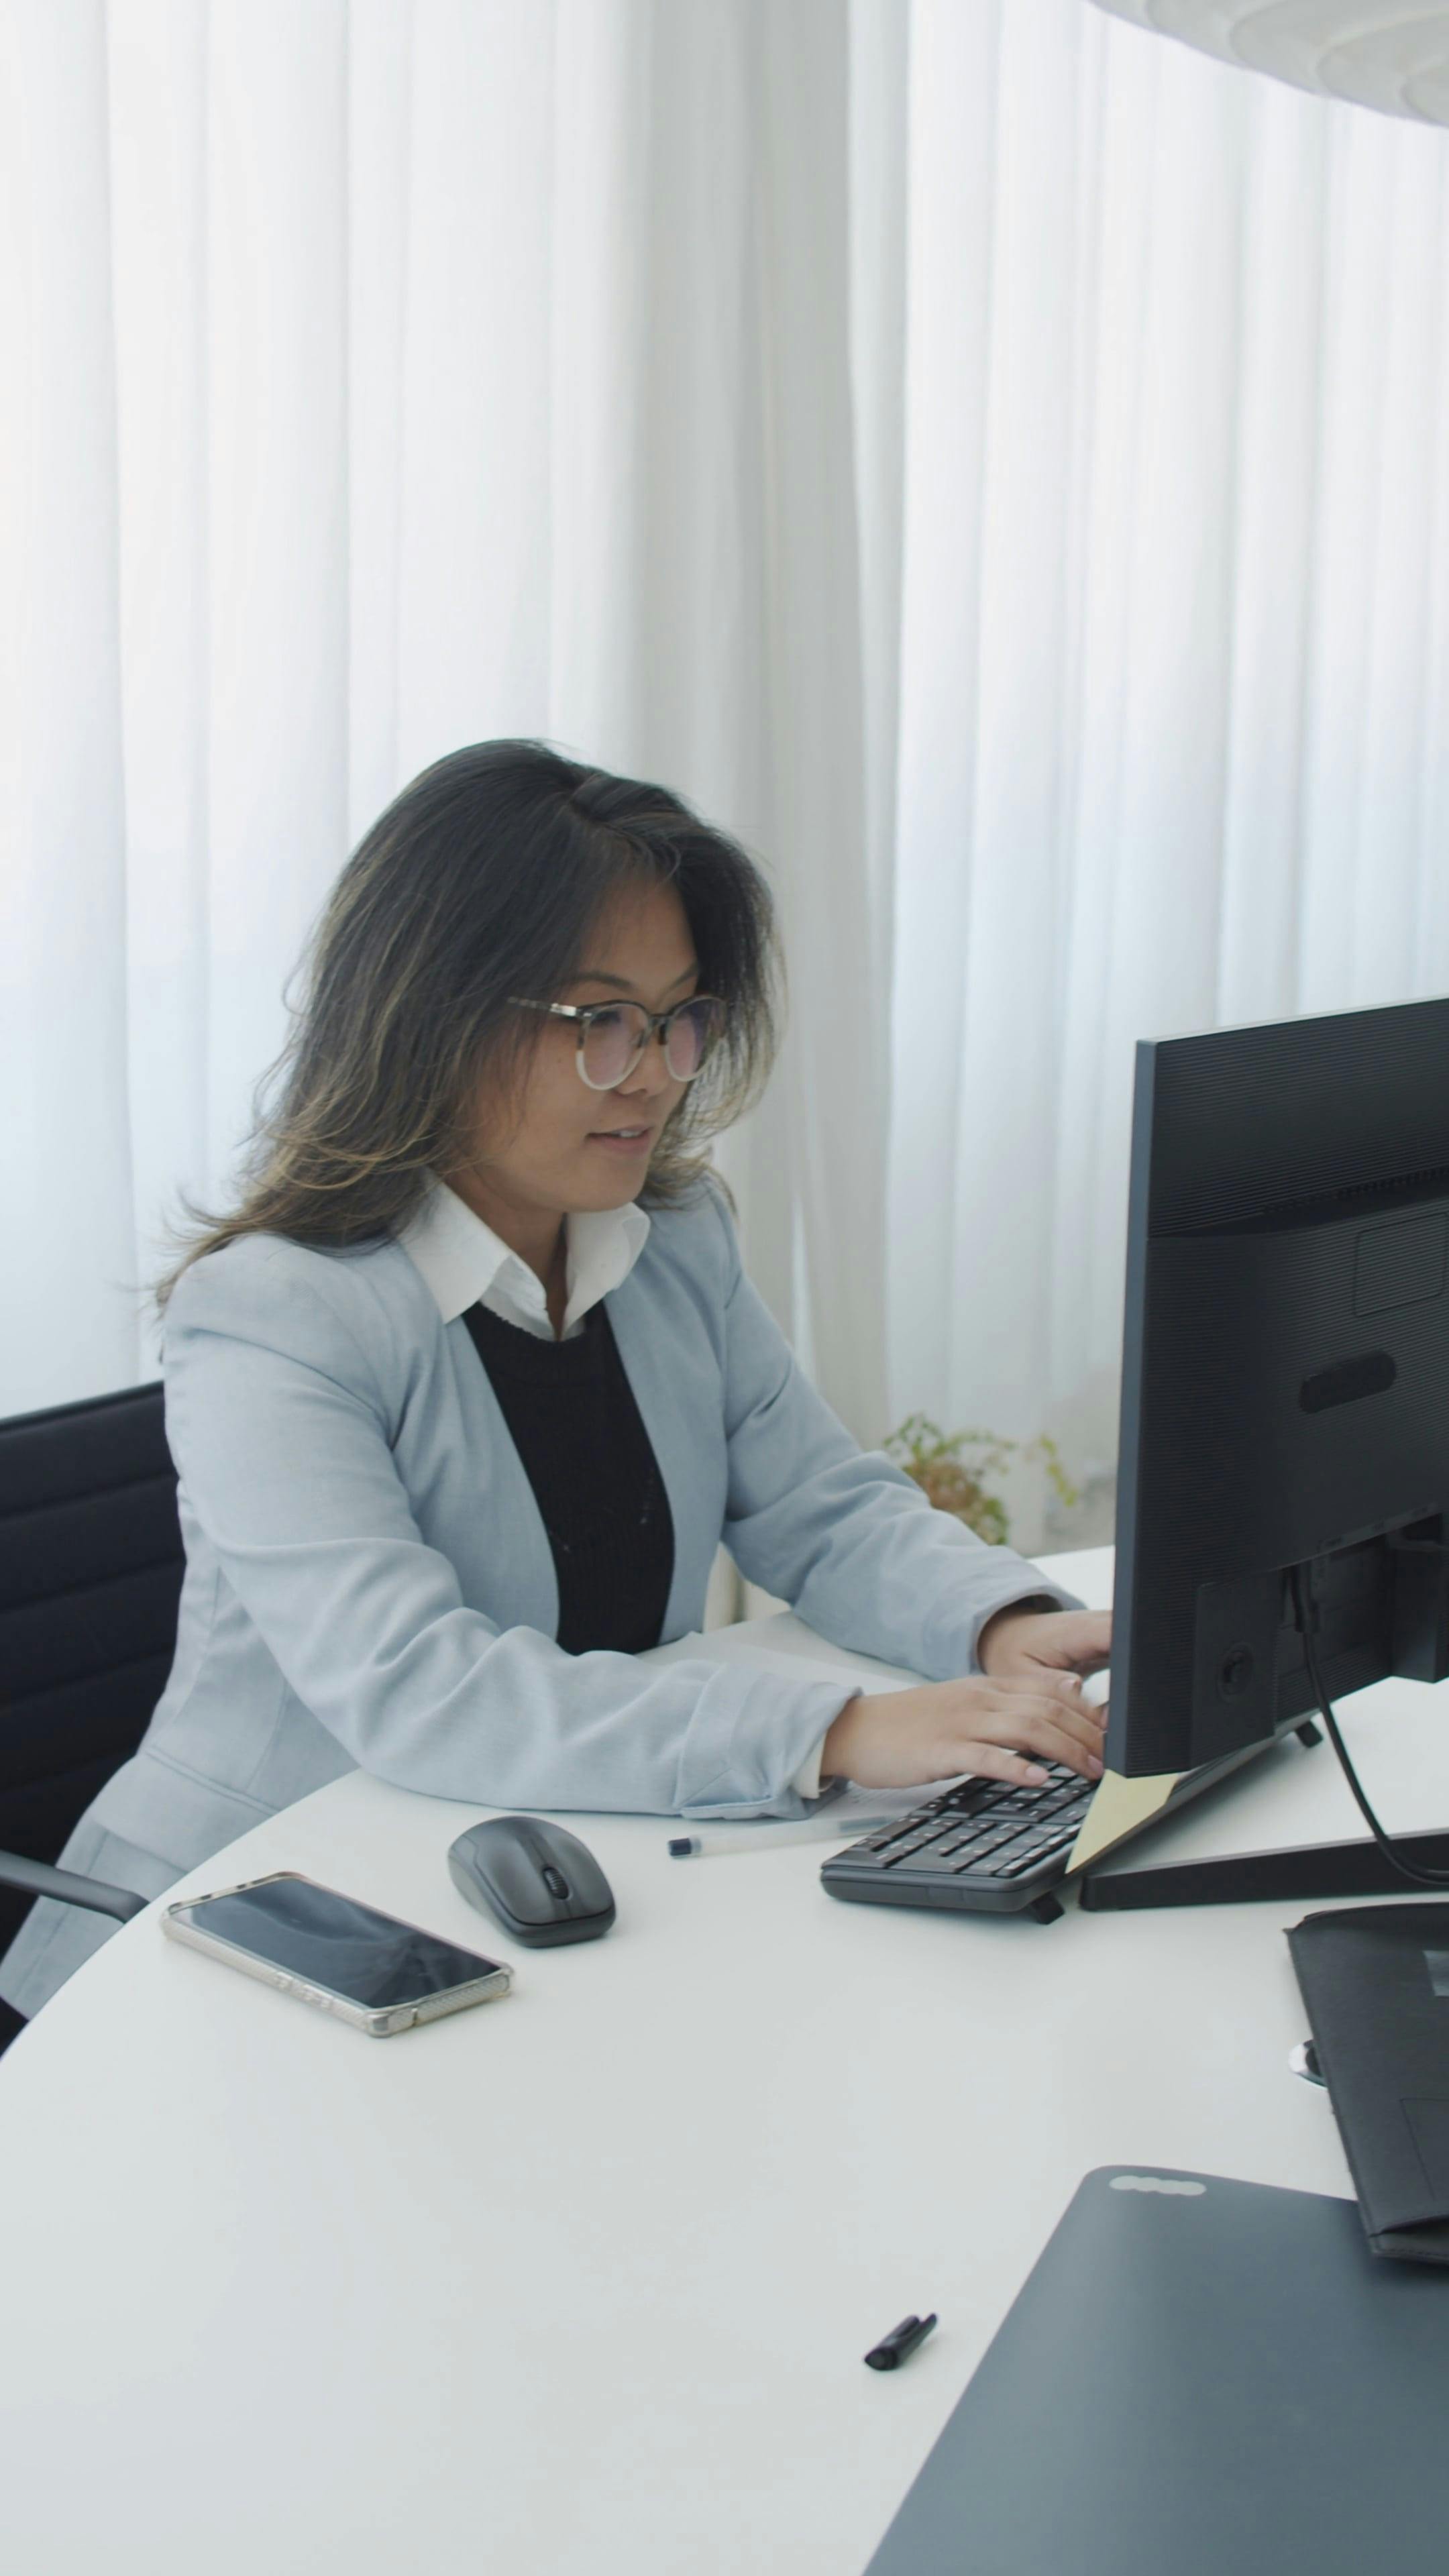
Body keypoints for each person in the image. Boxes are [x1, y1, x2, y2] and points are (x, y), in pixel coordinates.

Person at [0, 742, 1109, 2019]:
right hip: (252, 1935)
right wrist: (834, 1731)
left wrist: (999, 1623)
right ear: (433, 1014)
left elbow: (822, 1501)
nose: (654, 1071)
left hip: (556, 1886)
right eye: (599, 1022)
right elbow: (421, 1688)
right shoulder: (274, 1315)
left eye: (679, 1017)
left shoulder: (672, 1242)